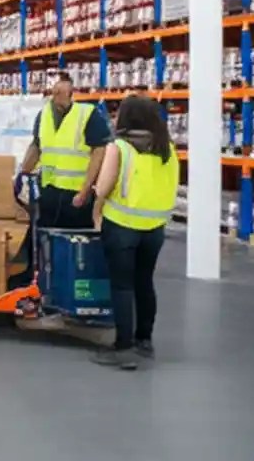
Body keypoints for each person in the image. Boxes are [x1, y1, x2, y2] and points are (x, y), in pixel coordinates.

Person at [90, 95, 177, 370]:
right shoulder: (167, 148)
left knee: (122, 285)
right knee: (144, 282)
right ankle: (144, 340)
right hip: (154, 229)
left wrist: (96, 211)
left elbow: (103, 186)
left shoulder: (120, 148)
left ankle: (123, 346)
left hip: (121, 226)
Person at [20, 72, 111, 229]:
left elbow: (99, 152)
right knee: (47, 239)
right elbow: (36, 146)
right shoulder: (44, 115)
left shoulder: (88, 114)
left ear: (71, 93)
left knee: (75, 243)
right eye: (55, 92)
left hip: (75, 194)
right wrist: (22, 173)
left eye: (62, 93)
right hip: (49, 192)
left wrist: (85, 190)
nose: (57, 97)